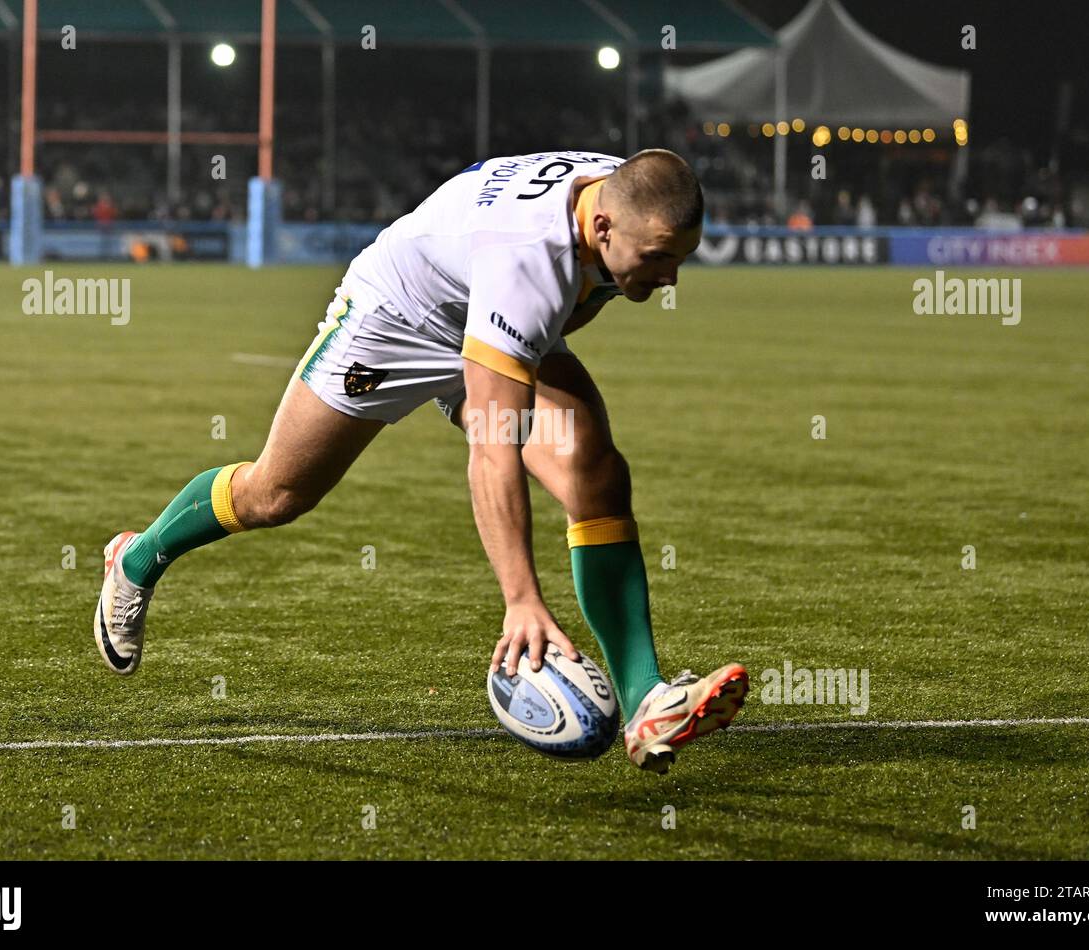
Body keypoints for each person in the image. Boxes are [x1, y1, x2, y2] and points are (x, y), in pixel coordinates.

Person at [94, 149, 749, 774]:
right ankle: (137, 557)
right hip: (396, 321)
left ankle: (645, 703)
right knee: (276, 494)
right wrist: (521, 599)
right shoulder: (529, 263)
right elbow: (493, 449)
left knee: (594, 471)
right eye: (660, 260)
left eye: (680, 260)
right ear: (601, 226)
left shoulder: (620, 199)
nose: (670, 280)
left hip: (492, 315)